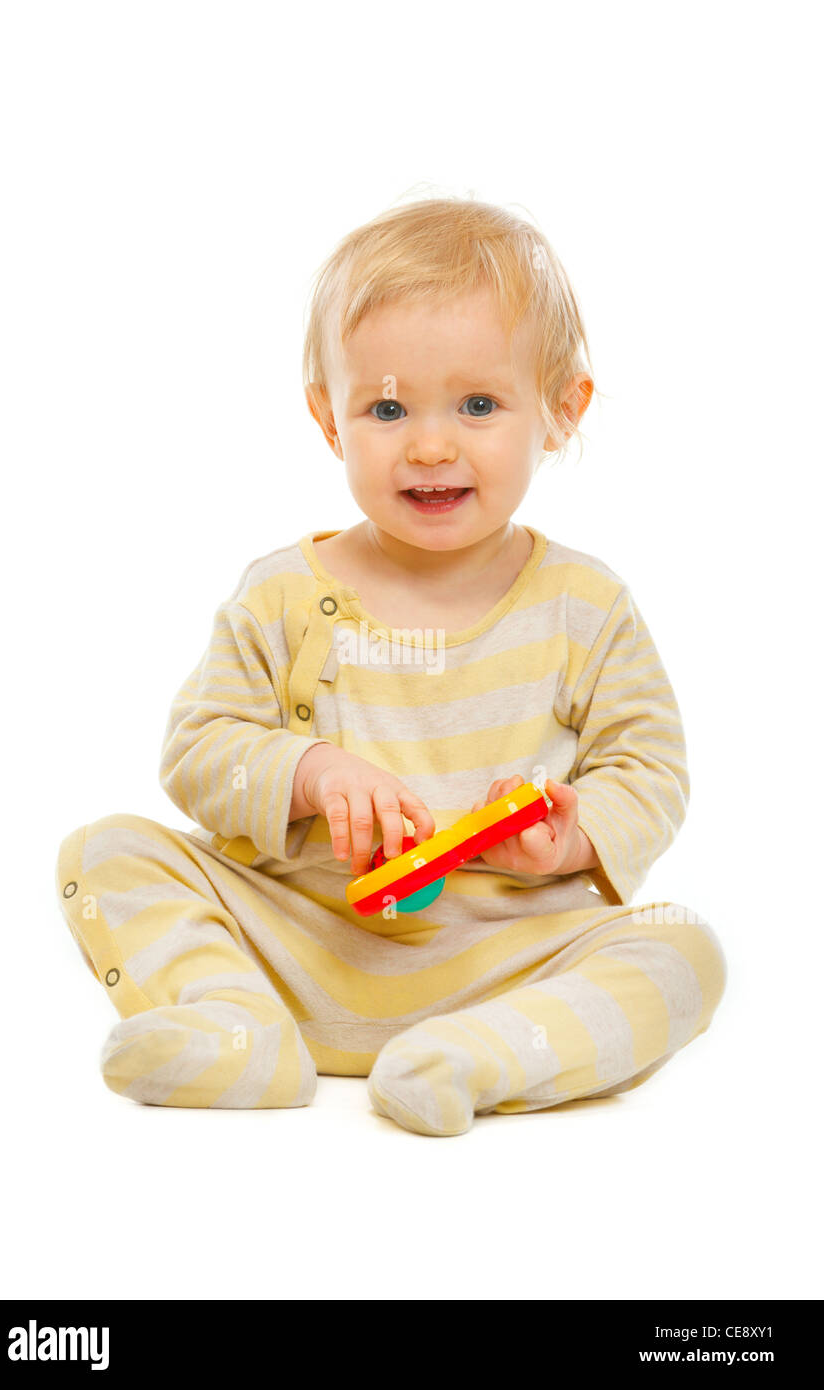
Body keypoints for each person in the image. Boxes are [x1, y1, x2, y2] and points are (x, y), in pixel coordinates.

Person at [55, 195, 726, 1136]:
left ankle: (476, 1055)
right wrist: (310, 771)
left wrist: (573, 839)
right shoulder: (283, 592)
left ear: (561, 410)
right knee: (106, 850)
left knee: (683, 948)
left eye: (480, 404)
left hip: (503, 951)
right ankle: (237, 1024)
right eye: (387, 406)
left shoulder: (584, 604)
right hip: (300, 936)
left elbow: (649, 766)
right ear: (331, 420)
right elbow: (197, 750)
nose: (430, 444)